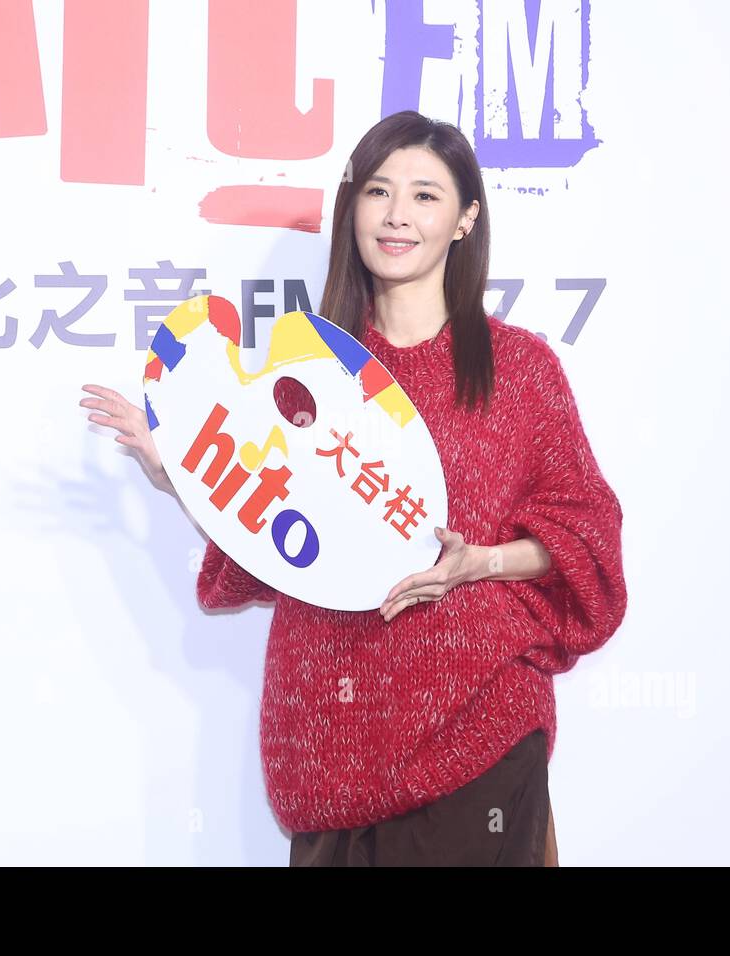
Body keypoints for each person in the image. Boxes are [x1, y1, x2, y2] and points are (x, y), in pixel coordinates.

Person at [79, 110, 626, 866]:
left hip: (480, 731)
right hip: (328, 742)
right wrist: (184, 479)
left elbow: (581, 539)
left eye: (426, 196)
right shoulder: (304, 374)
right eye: (378, 191)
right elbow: (279, 535)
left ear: (466, 218)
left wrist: (481, 564)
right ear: (352, 208)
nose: (398, 215)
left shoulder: (520, 371)